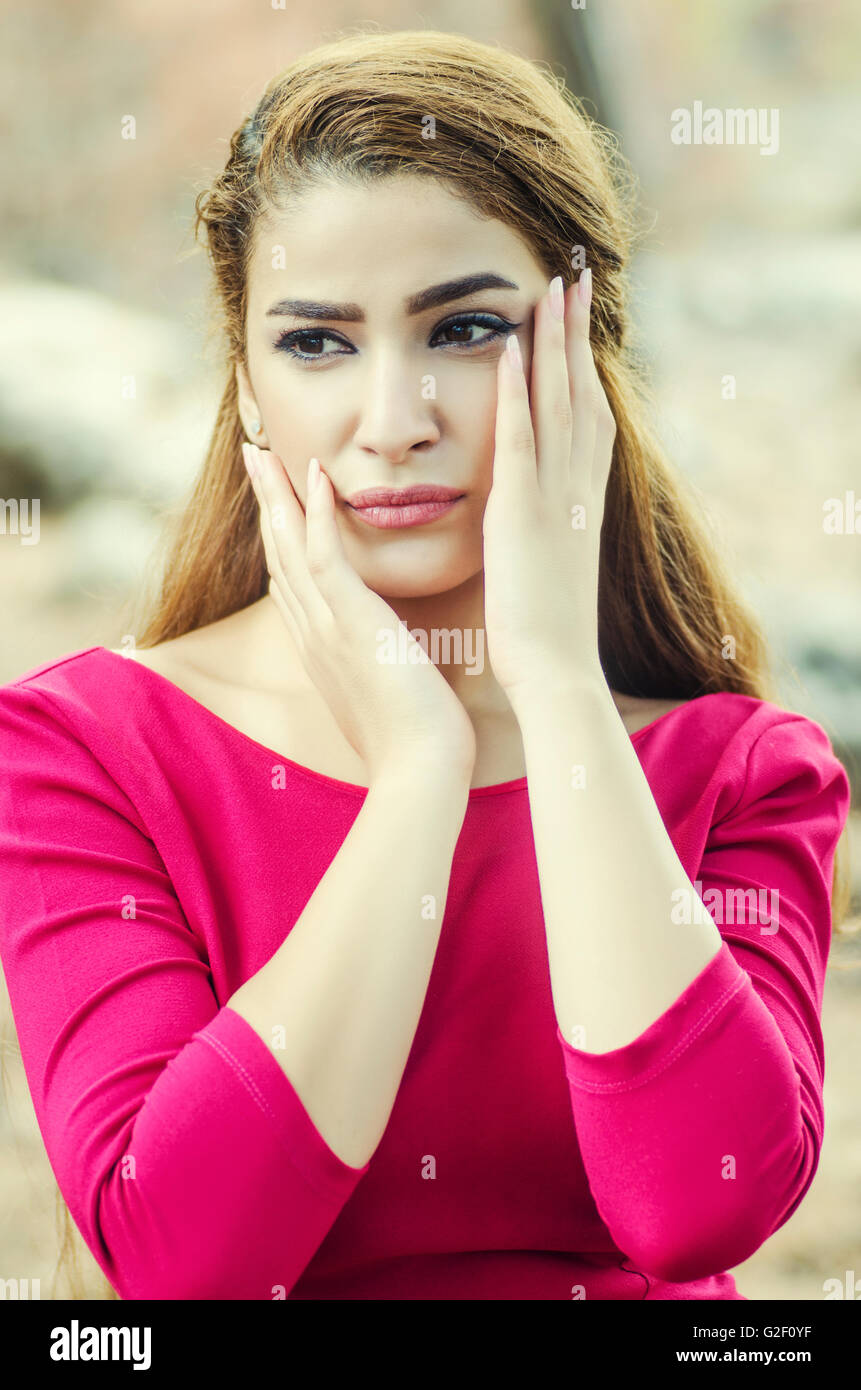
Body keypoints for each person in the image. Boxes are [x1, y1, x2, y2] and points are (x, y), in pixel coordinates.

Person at [0, 30, 851, 1301]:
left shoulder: (736, 768)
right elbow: (183, 1263)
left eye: (462, 328)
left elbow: (698, 1204)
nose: (394, 422)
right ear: (245, 379)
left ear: (583, 354)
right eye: (317, 343)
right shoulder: (82, 747)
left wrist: (558, 683)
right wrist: (416, 775)